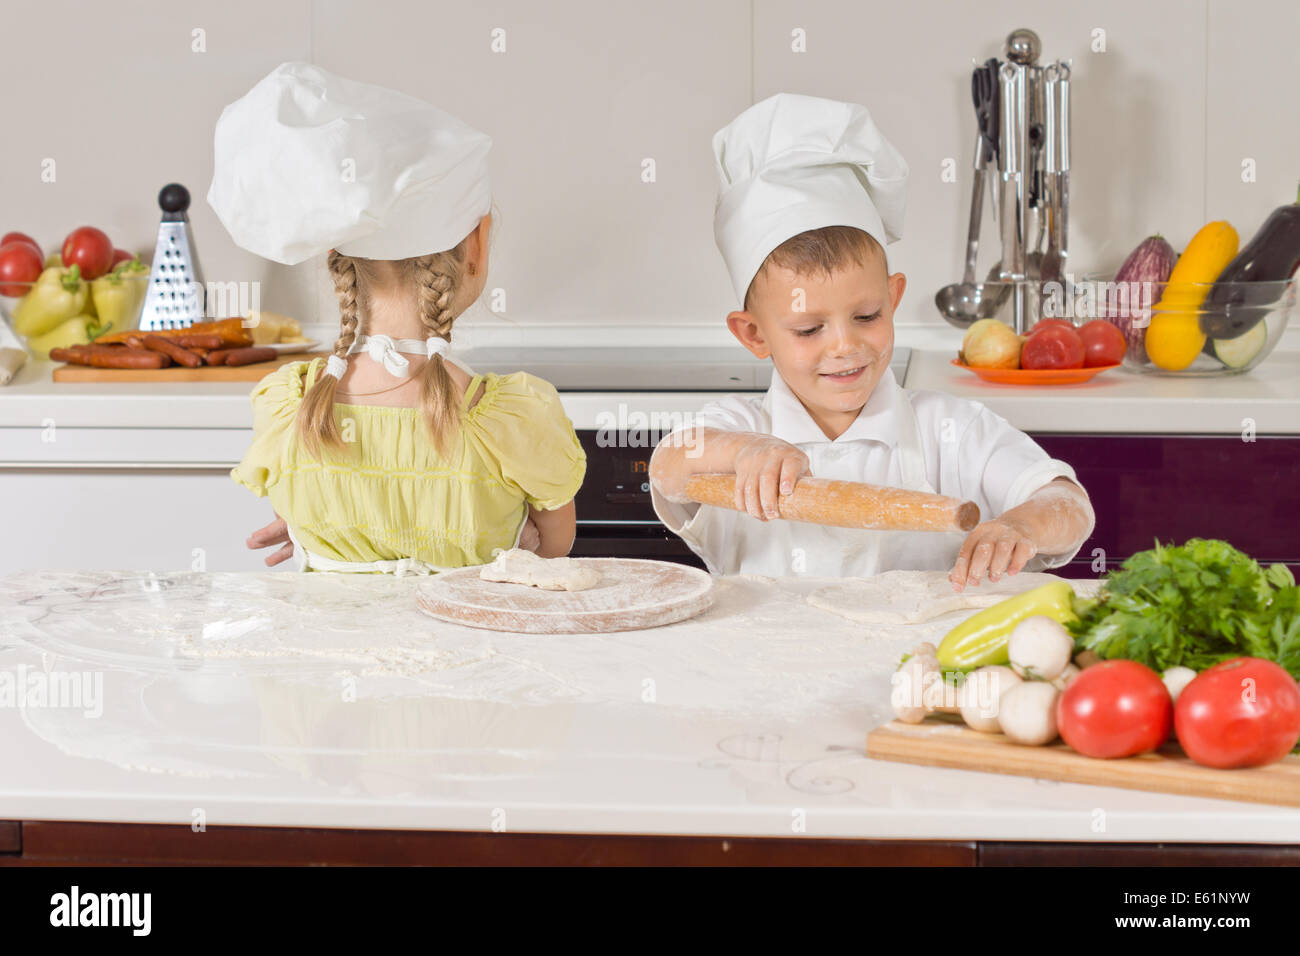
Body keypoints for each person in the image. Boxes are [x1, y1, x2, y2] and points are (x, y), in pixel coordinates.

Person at [649, 93, 1094, 588]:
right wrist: (744, 451)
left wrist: (1020, 525)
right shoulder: (741, 427)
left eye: (866, 315)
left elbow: (1068, 503)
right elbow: (667, 465)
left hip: (911, 664)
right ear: (753, 334)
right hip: (766, 663)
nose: (844, 345)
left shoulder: (948, 431)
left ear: (894, 296)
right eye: (809, 329)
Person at [209, 62, 585, 574]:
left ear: (336, 262)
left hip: (330, 652)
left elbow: (304, 525)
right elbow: (556, 548)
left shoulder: (288, 411)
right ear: (475, 246)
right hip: (479, 651)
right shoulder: (514, 420)